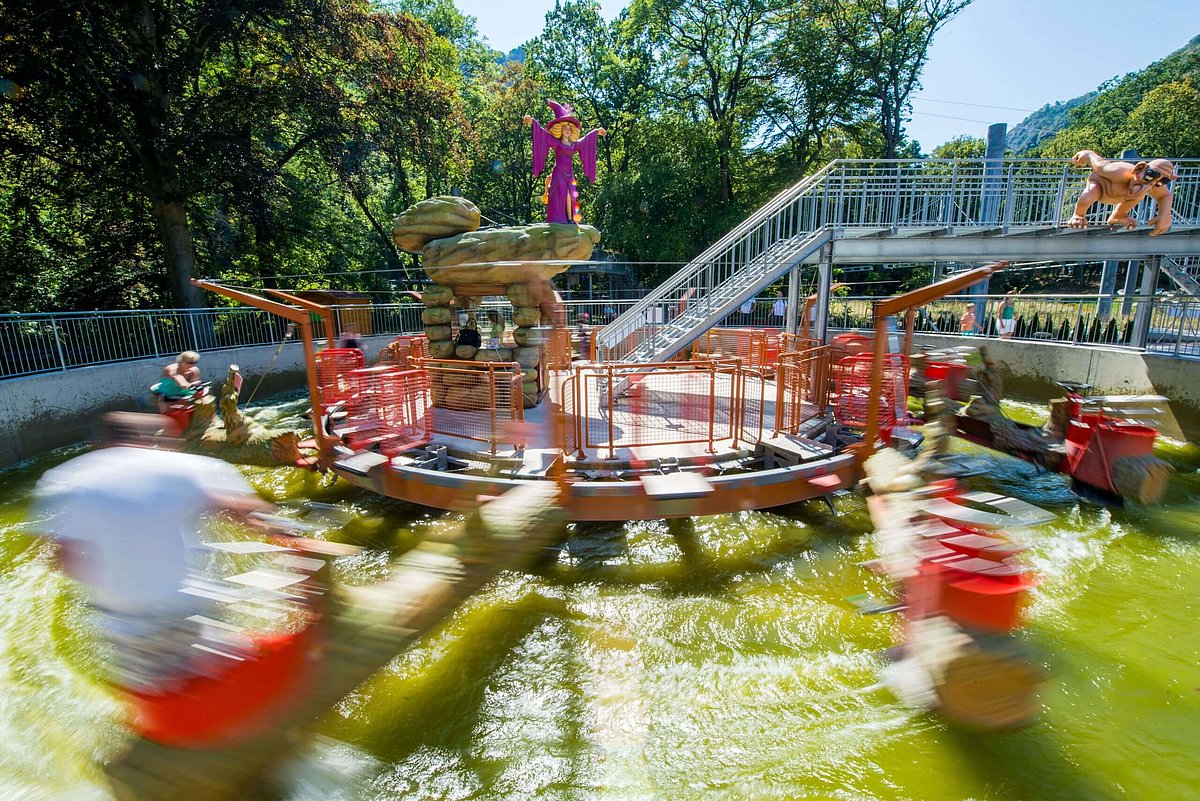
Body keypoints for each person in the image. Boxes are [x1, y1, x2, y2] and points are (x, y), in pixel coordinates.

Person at [29, 412, 273, 692]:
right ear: (148, 440)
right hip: (187, 607)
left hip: (126, 622)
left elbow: (54, 555)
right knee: (226, 685)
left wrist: (106, 578)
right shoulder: (184, 465)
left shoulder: (66, 478)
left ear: (102, 443)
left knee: (158, 696)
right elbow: (247, 513)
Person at [523, 101, 606, 224]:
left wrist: (597, 131)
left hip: (569, 173)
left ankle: (570, 219)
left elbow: (586, 139)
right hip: (559, 172)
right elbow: (542, 134)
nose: (567, 130)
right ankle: (558, 219)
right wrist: (532, 122)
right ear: (559, 130)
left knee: (571, 195)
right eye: (564, 128)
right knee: (561, 192)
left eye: (569, 128)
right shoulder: (557, 143)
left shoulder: (574, 144)